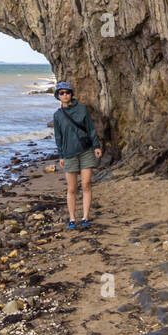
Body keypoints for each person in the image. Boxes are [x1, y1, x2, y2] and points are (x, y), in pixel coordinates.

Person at [52, 81, 101, 231]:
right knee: (72, 188)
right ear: (58, 96)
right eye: (62, 93)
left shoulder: (82, 109)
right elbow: (58, 137)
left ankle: (85, 217)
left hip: (86, 151)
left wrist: (96, 146)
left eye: (67, 92)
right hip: (68, 154)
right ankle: (72, 218)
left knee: (86, 184)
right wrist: (61, 155)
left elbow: (91, 128)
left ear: (71, 94)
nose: (65, 95)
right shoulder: (57, 115)